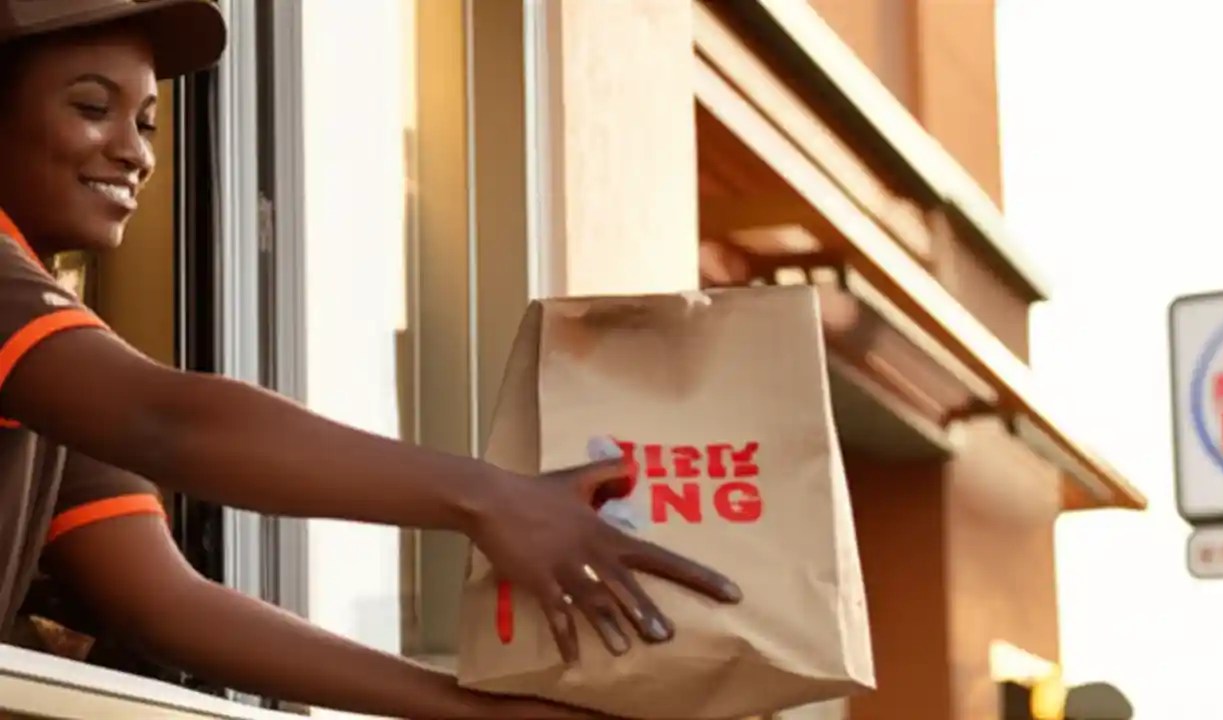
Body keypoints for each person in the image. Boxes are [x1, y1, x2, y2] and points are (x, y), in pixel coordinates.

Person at [0, 1, 741, 717]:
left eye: (147, 120)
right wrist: (488, 498)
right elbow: (164, 421)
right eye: (92, 107)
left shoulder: (56, 373)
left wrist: (476, 712)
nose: (136, 151)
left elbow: (164, 601)